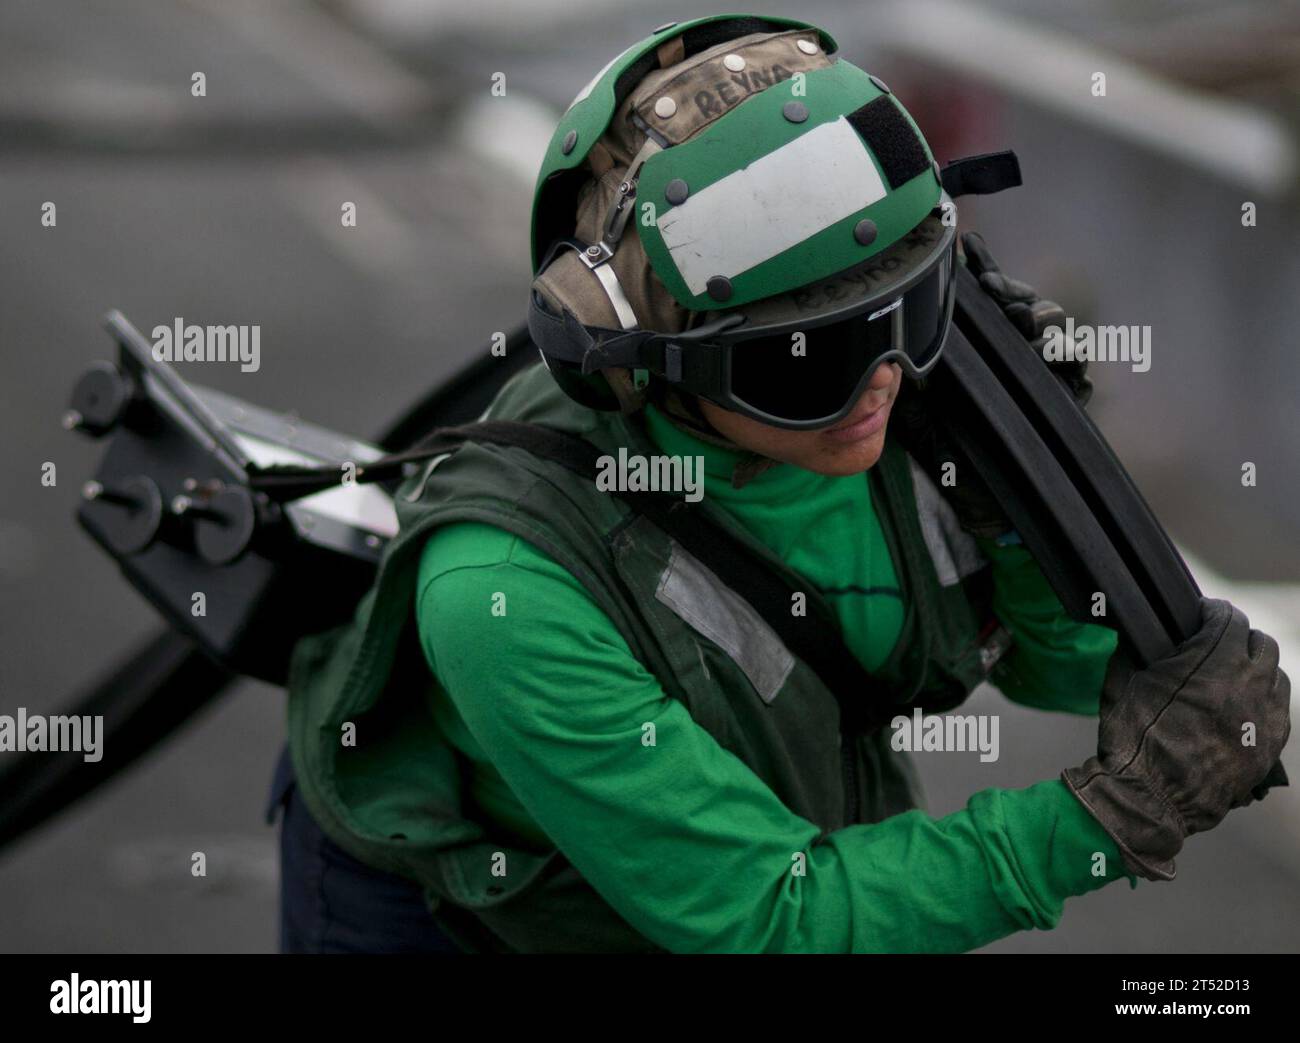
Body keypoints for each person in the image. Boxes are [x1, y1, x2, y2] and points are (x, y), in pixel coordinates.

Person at [268, 15, 1291, 953]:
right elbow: (768, 917)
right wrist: (1104, 819)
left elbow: (1065, 672)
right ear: (643, 360)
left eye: (908, 309)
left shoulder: (896, 405)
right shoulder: (504, 592)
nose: (879, 381)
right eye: (807, 358)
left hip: (759, 837)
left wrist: (1023, 508)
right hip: (483, 919)